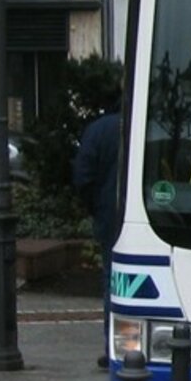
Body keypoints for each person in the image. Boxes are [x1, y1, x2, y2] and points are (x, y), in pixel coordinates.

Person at [72, 103, 122, 364]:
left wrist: (97, 207)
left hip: (109, 217)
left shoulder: (99, 130)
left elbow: (83, 176)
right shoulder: (152, 125)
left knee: (113, 280)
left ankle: (114, 345)